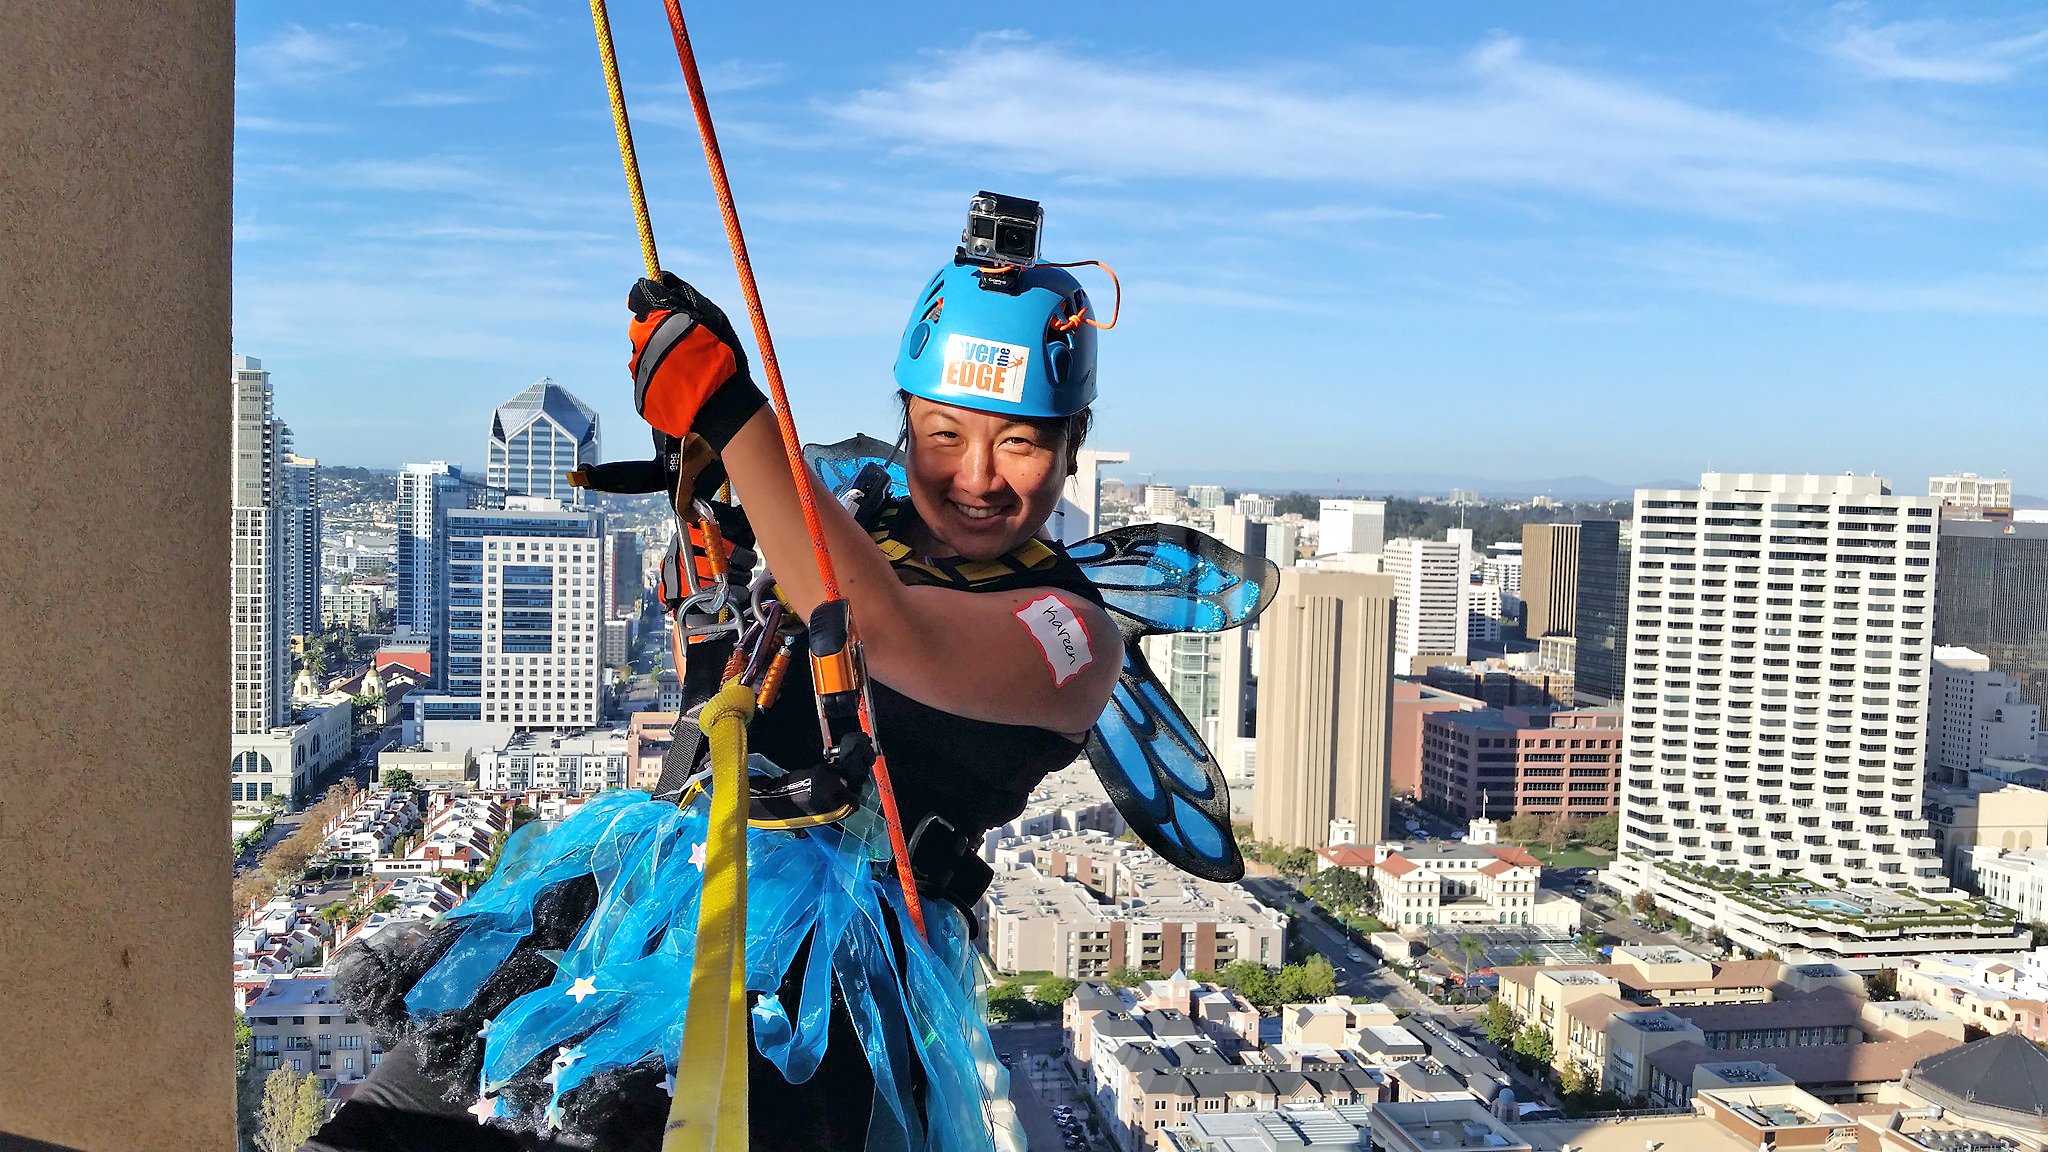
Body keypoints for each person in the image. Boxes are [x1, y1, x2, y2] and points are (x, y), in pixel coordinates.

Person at [302, 252, 1122, 1152]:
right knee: (397, 1121)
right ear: (906, 424)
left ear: (1072, 445)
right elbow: (742, 680)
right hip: (651, 895)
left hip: (813, 981)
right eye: (943, 435)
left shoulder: (1069, 629)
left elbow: (882, 635)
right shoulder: (851, 521)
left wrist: (732, 413)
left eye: (1021, 442)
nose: (978, 476)